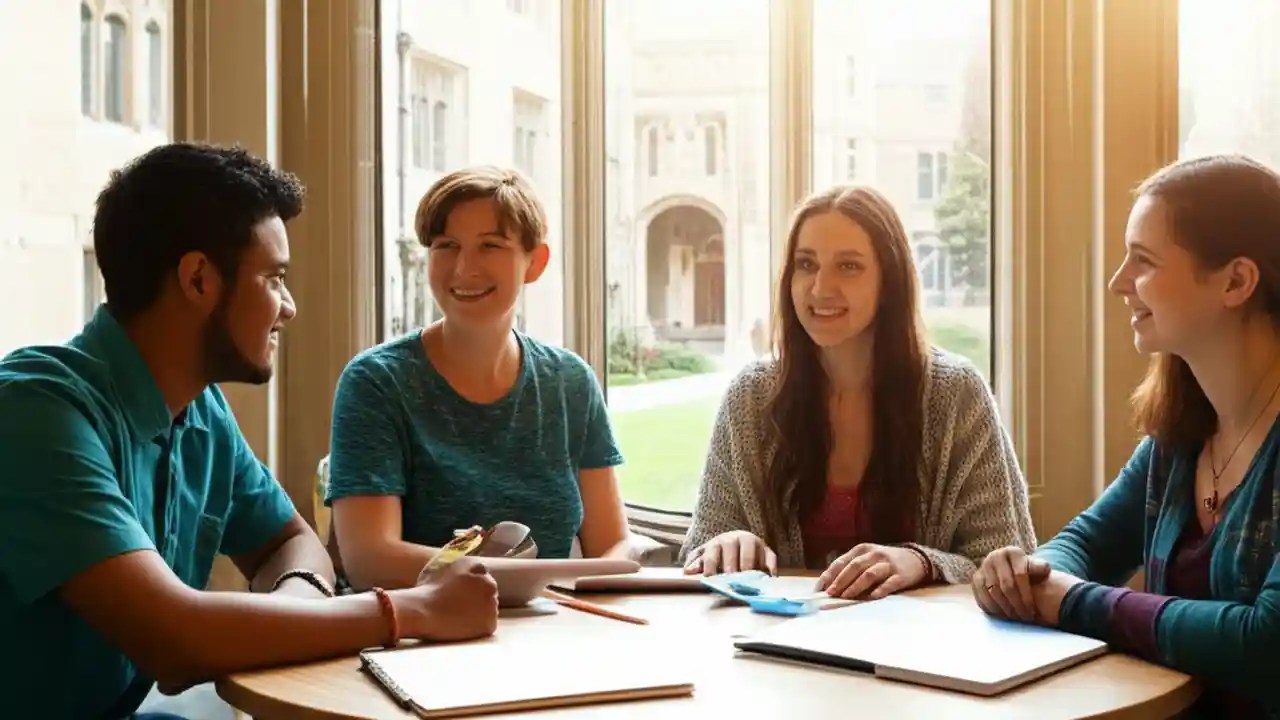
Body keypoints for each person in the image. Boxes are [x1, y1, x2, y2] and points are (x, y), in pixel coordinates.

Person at [0, 143, 498, 720]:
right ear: (198, 280)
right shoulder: (34, 413)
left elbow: (291, 542)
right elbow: (175, 639)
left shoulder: (200, 409)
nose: (288, 307)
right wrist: (413, 610)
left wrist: (300, 606)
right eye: (274, 277)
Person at [973, 155, 1280, 716]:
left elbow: (1267, 642)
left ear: (1236, 280)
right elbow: (1084, 545)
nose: (1118, 282)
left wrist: (1070, 603)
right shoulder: (1180, 436)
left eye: (1142, 260)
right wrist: (1024, 573)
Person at [679, 185, 1035, 600]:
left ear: (890, 281)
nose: (820, 288)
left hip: (916, 653)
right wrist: (726, 546)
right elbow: (699, 552)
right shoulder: (751, 397)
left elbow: (1007, 565)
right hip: (779, 650)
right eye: (806, 264)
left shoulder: (956, 394)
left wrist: (921, 562)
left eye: (848, 266)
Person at [326, 166, 638, 591]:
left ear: (536, 262)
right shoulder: (376, 382)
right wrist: (541, 580)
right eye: (446, 246)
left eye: (490, 246)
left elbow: (613, 545)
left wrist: (565, 589)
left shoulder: (570, 382)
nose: (464, 268)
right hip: (414, 642)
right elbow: (371, 561)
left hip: (552, 633)